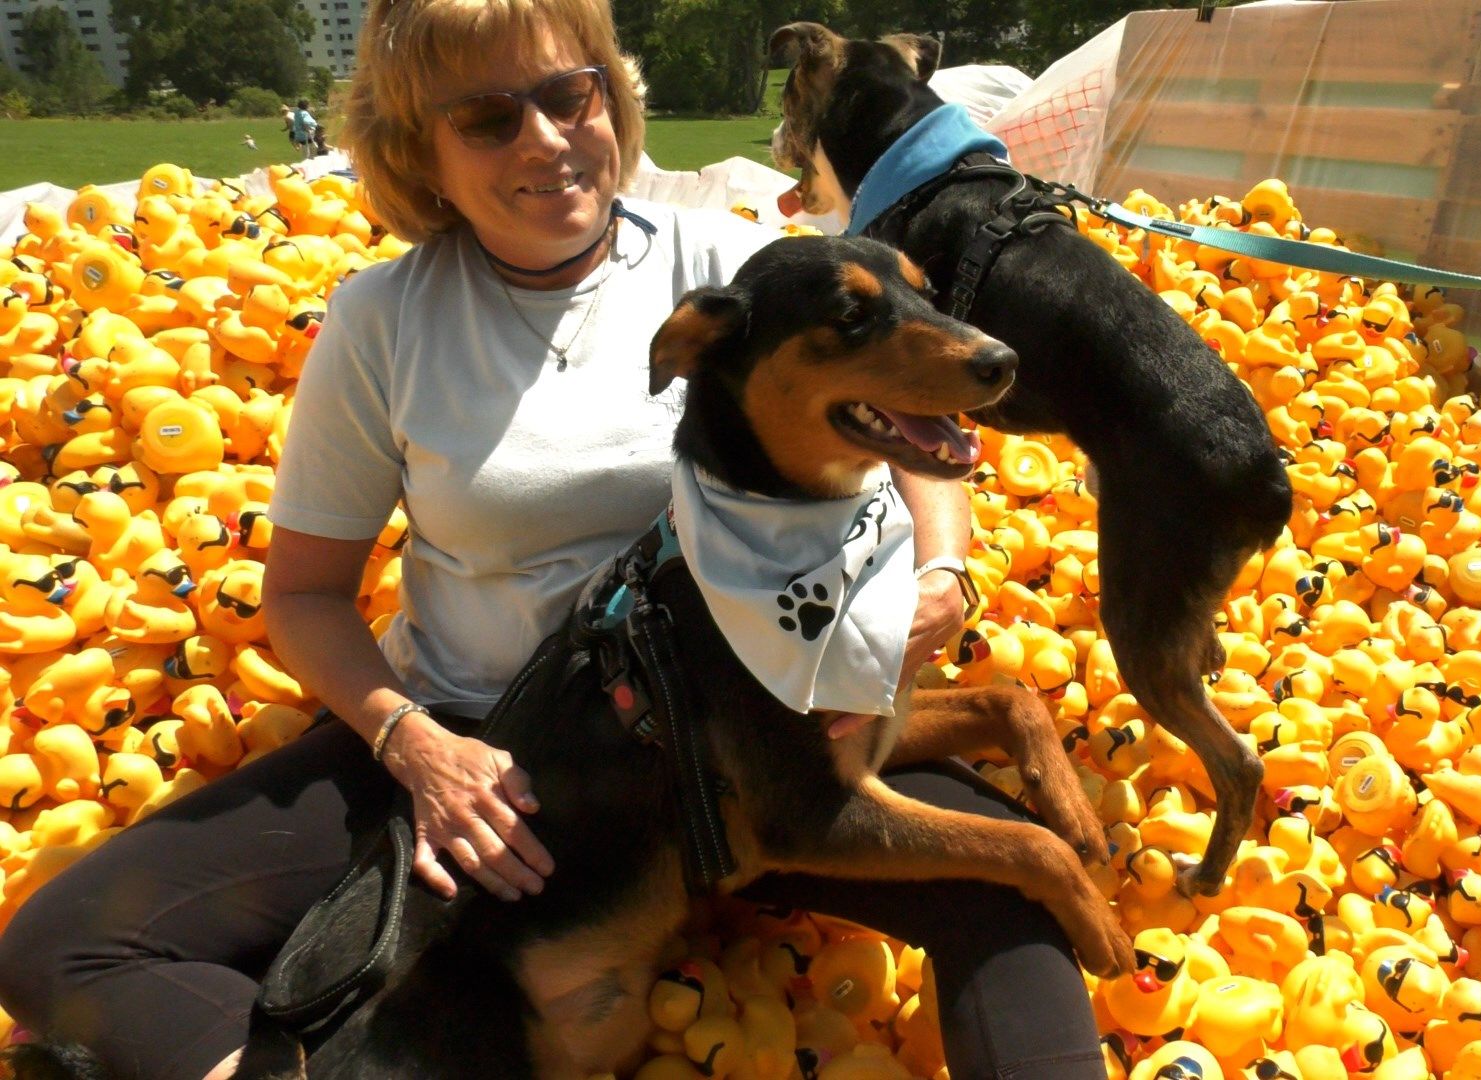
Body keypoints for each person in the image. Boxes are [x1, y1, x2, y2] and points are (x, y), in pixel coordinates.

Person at [0, 0, 1106, 1077]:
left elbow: (909, 412)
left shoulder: (725, 266)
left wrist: (947, 567)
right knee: (67, 947)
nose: (545, 138)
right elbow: (299, 595)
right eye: (487, 118)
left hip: (760, 725)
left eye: (568, 94)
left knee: (1011, 908)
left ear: (611, 98)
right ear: (418, 149)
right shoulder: (382, 319)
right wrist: (415, 748)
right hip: (481, 753)